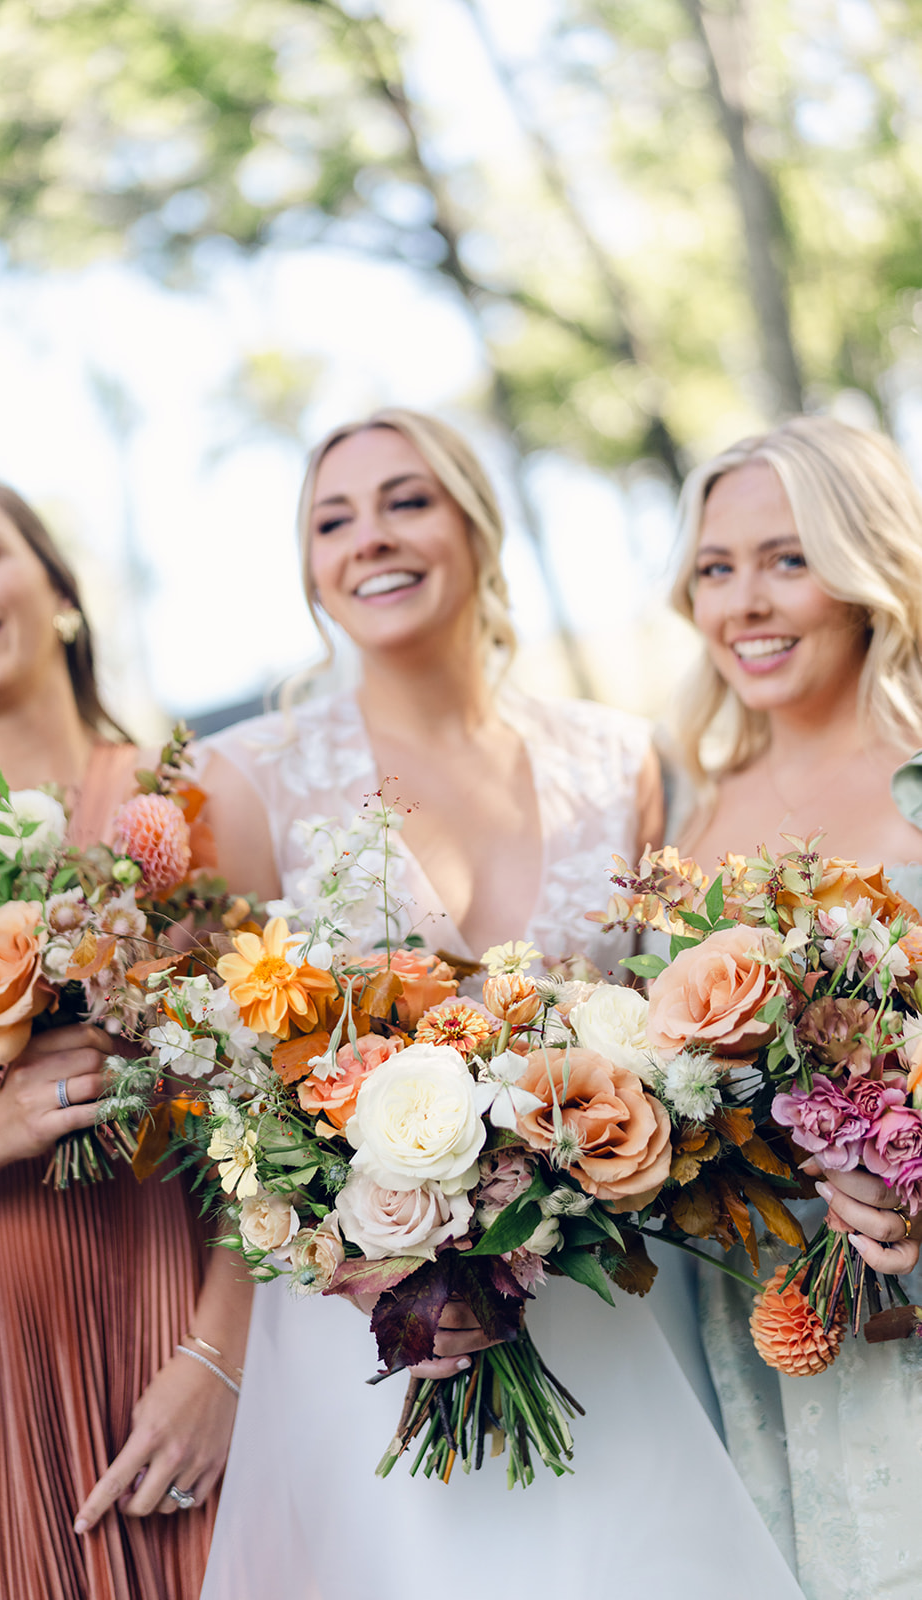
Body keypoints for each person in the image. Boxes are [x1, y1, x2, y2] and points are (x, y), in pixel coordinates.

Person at [198, 409, 805, 1600]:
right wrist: (344, 1281)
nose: (369, 536)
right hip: (363, 1348)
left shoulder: (617, 758)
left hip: (598, 1319)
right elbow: (228, 1107)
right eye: (332, 518)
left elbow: (659, 1036)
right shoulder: (251, 779)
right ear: (310, 570)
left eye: (406, 500)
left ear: (476, 524)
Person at [0, 476, 250, 1600]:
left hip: (181, 1331)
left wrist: (222, 1359)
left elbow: (288, 1120)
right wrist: (3, 1122)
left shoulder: (196, 801)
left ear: (60, 594)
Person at [669, 415, 922, 1600]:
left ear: (865, 563)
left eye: (786, 558)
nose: (743, 604)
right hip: (753, 1322)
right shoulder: (683, 818)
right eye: (714, 569)